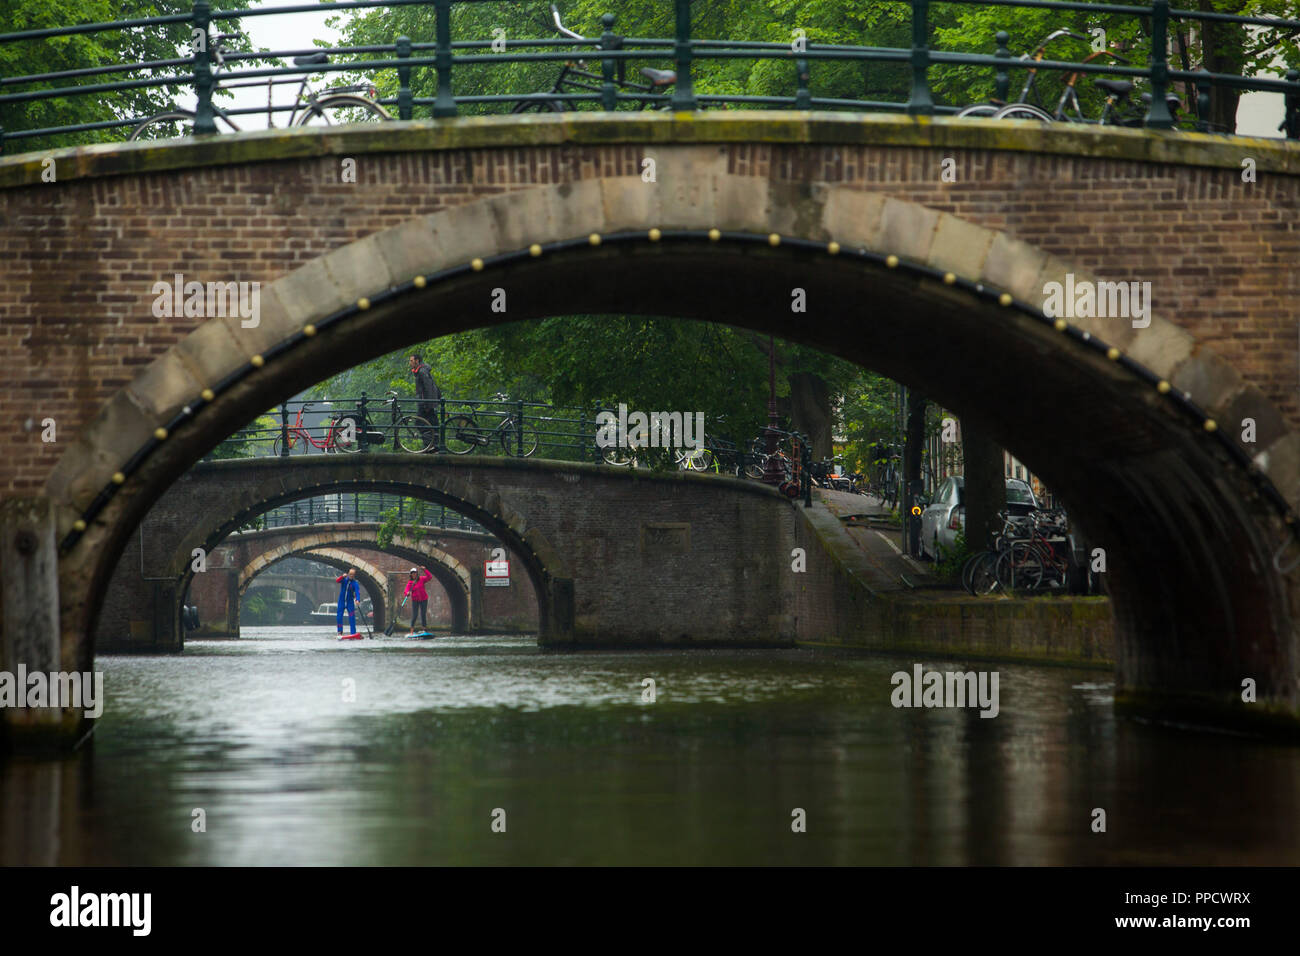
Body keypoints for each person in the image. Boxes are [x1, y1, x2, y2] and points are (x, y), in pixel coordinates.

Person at [408, 353, 440, 452]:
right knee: (433, 423)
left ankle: (429, 446)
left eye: (411, 361)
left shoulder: (422, 372)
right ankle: (434, 446)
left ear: (417, 361)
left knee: (419, 423)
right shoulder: (422, 371)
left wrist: (427, 404)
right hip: (427, 402)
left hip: (425, 403)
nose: (410, 363)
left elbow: (428, 388)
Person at [404, 566, 432, 631]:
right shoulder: (410, 583)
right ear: (410, 574)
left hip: (424, 599)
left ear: (417, 573)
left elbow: (430, 577)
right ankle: (411, 630)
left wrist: (425, 570)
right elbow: (406, 591)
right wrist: (407, 593)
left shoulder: (422, 579)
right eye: (412, 573)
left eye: (415, 573)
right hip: (415, 600)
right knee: (415, 615)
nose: (414, 574)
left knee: (423, 614)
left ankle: (424, 629)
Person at [335, 568, 362, 635]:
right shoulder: (344, 580)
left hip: (350, 602)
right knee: (339, 616)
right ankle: (340, 632)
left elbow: (357, 592)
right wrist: (342, 576)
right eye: (350, 574)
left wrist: (358, 600)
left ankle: (353, 633)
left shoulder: (355, 583)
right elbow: (337, 581)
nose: (351, 575)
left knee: (352, 617)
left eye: (353, 574)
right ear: (348, 574)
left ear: (354, 575)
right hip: (341, 601)